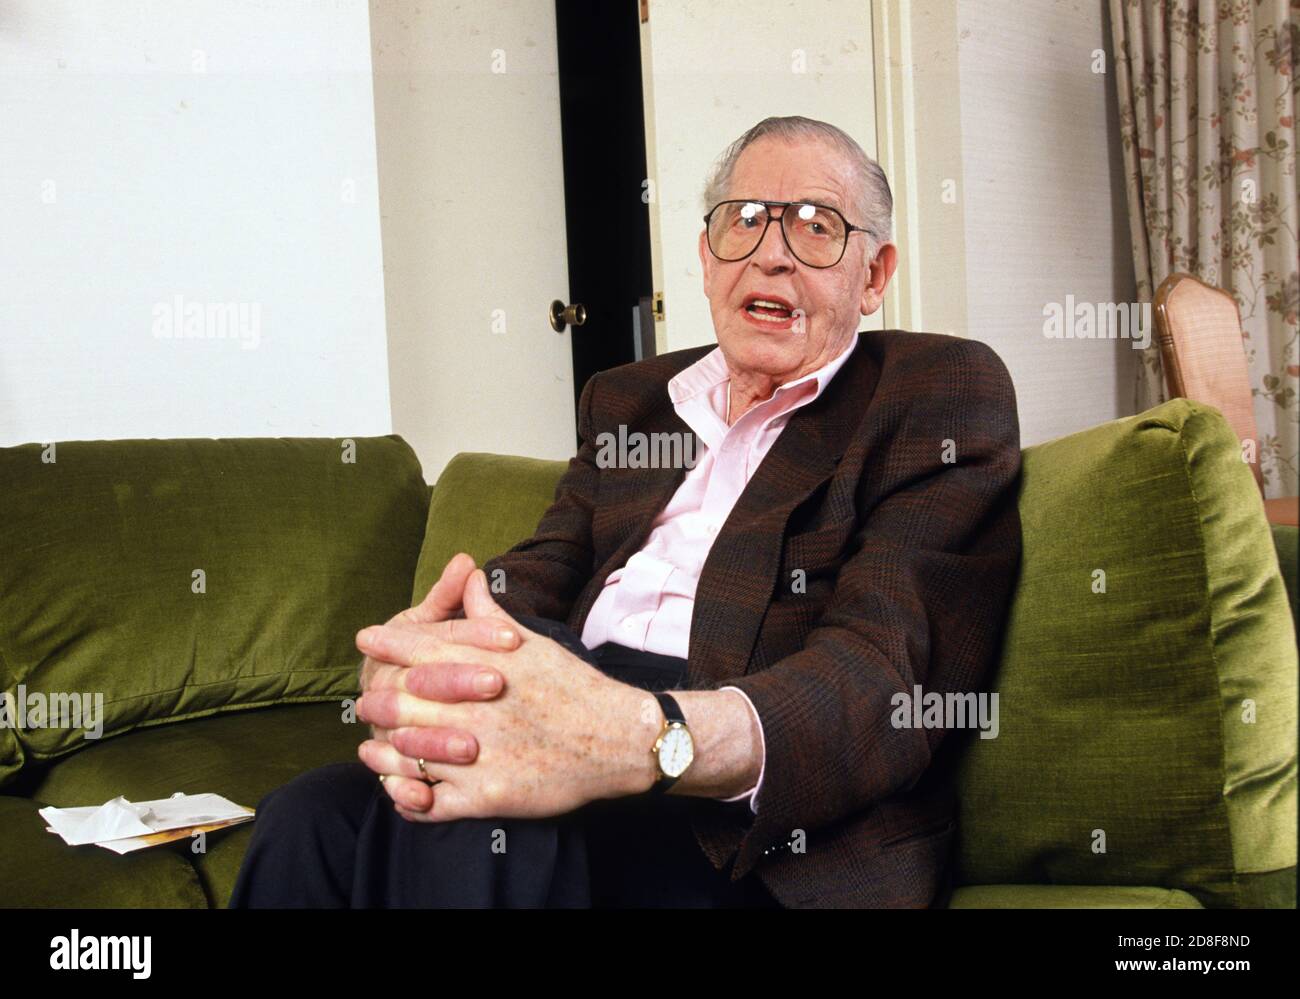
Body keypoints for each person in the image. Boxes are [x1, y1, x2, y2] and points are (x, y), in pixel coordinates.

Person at [229, 115, 1023, 909]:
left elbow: (881, 677)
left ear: (874, 275)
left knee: (494, 798)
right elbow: (544, 566)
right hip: (566, 718)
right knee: (307, 817)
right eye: (744, 221)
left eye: (817, 228)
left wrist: (633, 734)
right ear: (708, 259)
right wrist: (428, 655)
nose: (772, 252)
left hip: (747, 820)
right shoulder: (630, 401)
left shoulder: (934, 390)